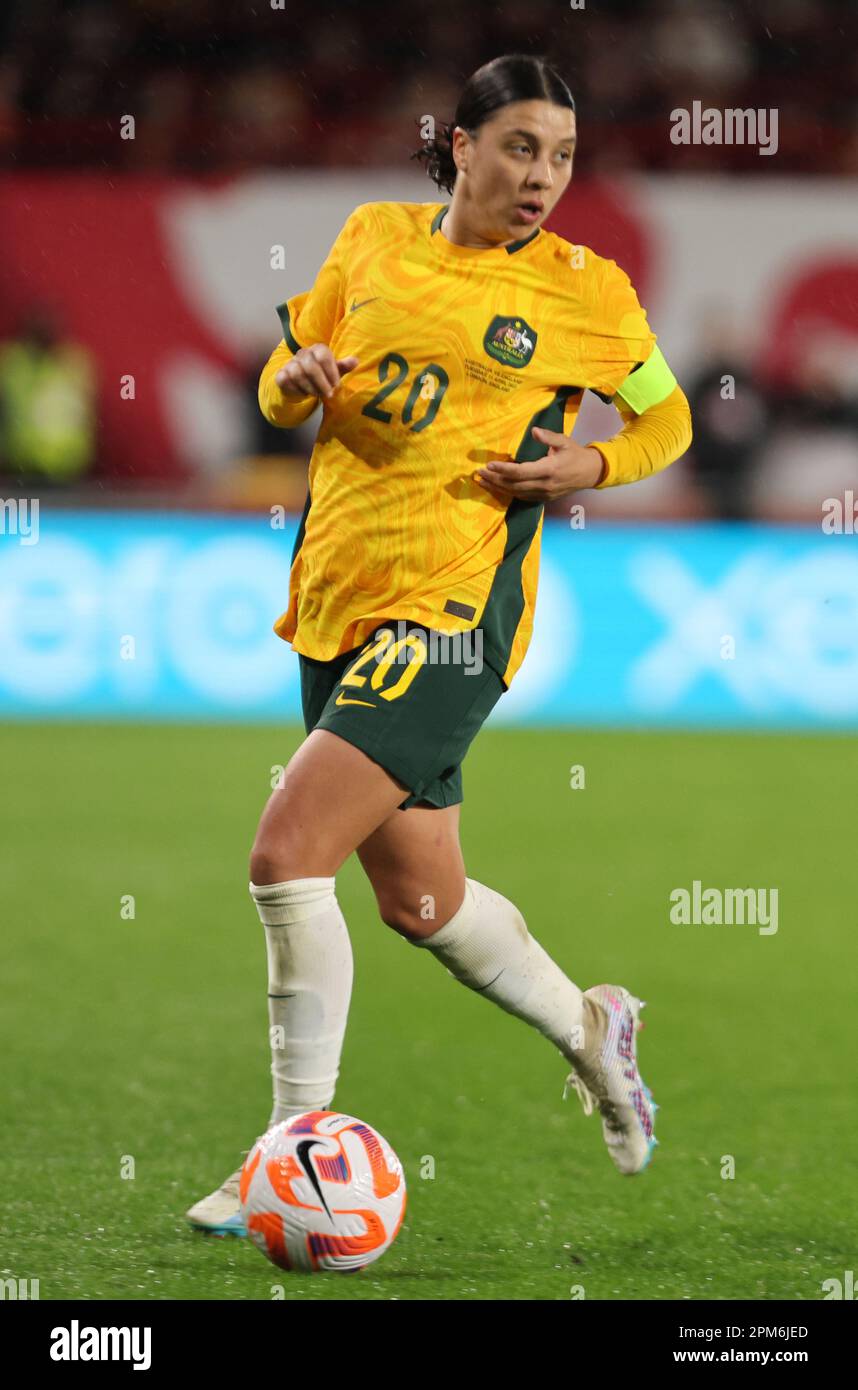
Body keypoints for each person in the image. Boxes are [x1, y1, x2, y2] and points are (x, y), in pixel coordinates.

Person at [186, 53, 691, 1236]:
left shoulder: (589, 292)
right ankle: (593, 1027)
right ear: (459, 146)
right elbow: (278, 380)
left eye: (562, 156)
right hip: (336, 593)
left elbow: (665, 415)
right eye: (520, 147)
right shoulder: (370, 239)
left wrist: (591, 462)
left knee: (284, 855)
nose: (542, 177)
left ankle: (289, 1155)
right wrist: (294, 379)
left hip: (456, 612)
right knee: (421, 902)